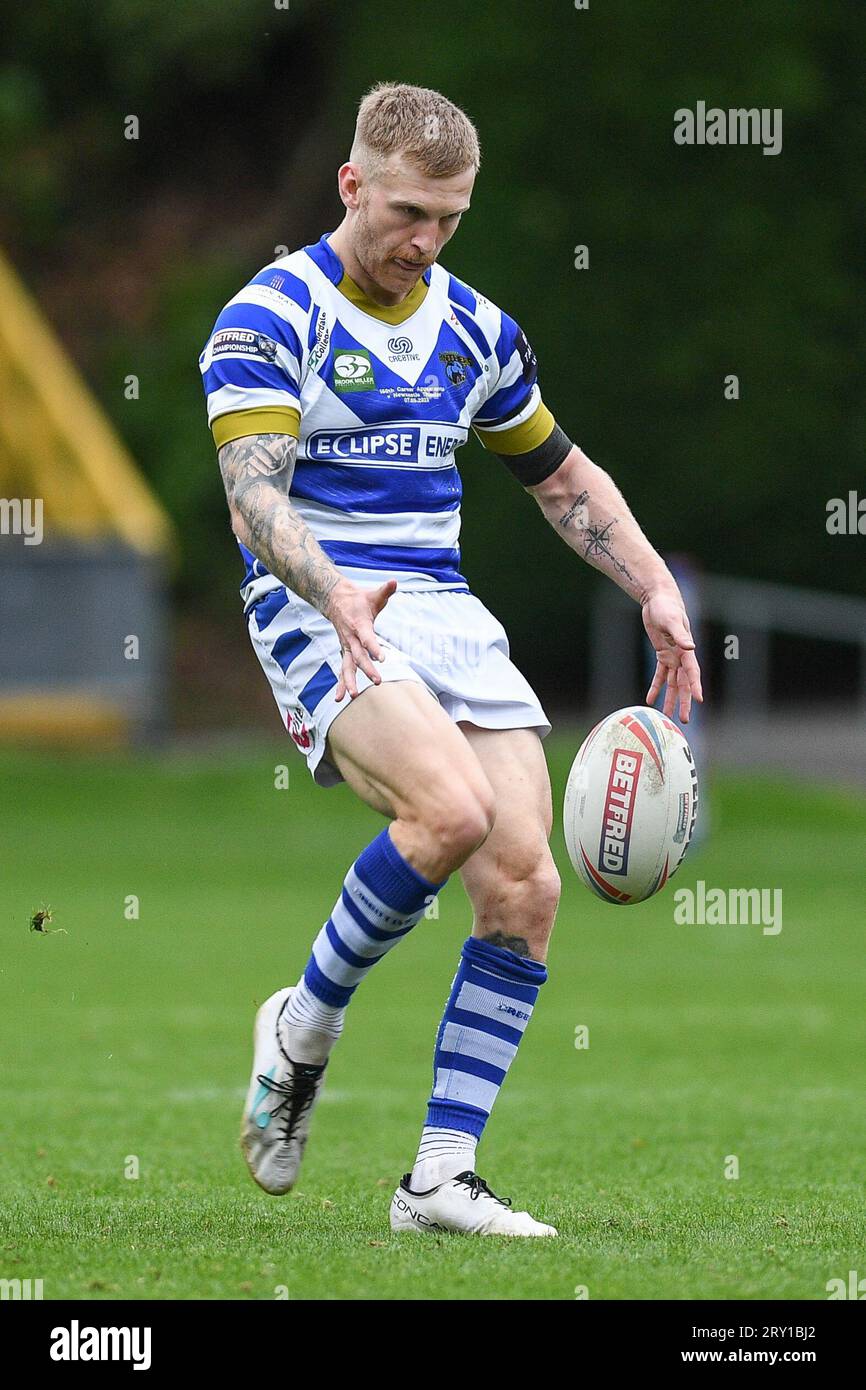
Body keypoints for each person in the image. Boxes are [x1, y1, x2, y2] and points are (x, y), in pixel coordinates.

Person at [199, 82, 702, 1238]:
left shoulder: (475, 328)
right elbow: (251, 499)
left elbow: (561, 478)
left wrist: (653, 587)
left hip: (445, 612)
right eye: (408, 213)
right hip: (320, 603)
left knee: (523, 883)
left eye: (449, 220)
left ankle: (437, 1179)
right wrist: (329, 589)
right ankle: (304, 1025)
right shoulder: (267, 318)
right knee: (449, 811)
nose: (423, 241)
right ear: (352, 184)